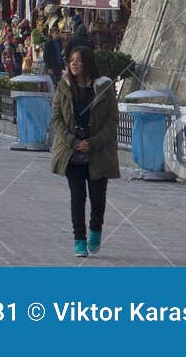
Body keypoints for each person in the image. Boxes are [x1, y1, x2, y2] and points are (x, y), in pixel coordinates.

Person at [50, 45, 120, 256]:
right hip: (72, 151)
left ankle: (95, 229)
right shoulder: (63, 87)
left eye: (79, 60)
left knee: (98, 197)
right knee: (77, 197)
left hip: (97, 151)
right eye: (72, 59)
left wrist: (94, 141)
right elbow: (56, 118)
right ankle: (79, 239)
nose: (74, 63)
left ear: (88, 63)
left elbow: (112, 120)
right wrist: (72, 141)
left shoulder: (103, 88)